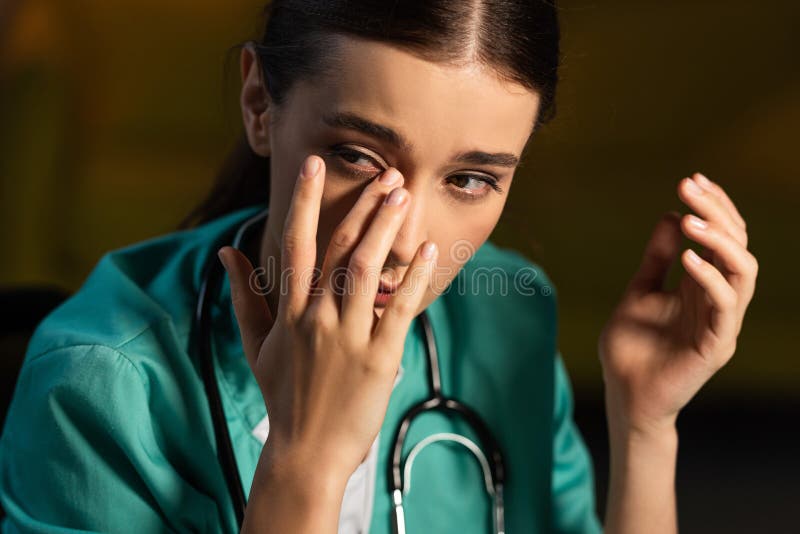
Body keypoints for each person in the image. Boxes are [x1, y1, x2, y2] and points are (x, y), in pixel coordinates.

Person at [0, 1, 759, 533]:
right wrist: (305, 459)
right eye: (358, 156)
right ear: (260, 103)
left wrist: (645, 426)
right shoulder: (96, 387)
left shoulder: (508, 318)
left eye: (471, 179)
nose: (404, 241)